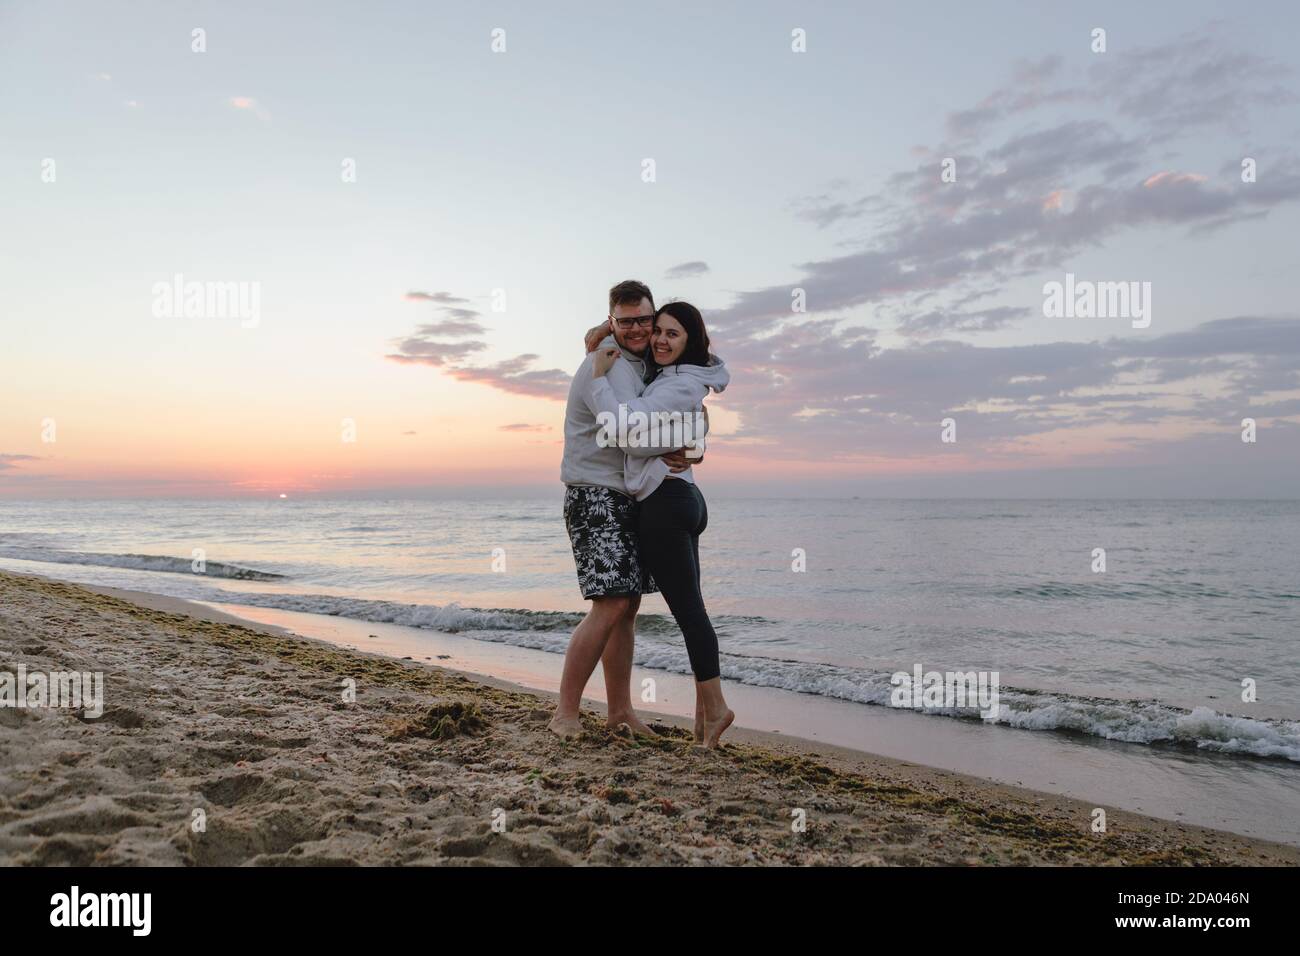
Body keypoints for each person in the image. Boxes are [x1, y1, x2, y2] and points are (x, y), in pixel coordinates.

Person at [548, 280, 696, 739]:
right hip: (594, 492)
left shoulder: (643, 361)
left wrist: (690, 446)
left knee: (626, 605)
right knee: (610, 602)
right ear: (612, 321)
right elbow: (623, 432)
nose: (637, 329)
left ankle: (619, 711)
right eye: (625, 321)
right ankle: (565, 714)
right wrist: (675, 445)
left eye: (643, 320)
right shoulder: (606, 363)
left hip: (623, 493)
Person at [586, 301, 734, 748]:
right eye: (660, 331)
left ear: (691, 343)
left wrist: (596, 379)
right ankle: (703, 719)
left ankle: (719, 709)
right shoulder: (670, 376)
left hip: (666, 503)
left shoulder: (680, 385)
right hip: (682, 495)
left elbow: (622, 429)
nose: (662, 340)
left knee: (689, 615)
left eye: (674, 334)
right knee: (694, 612)